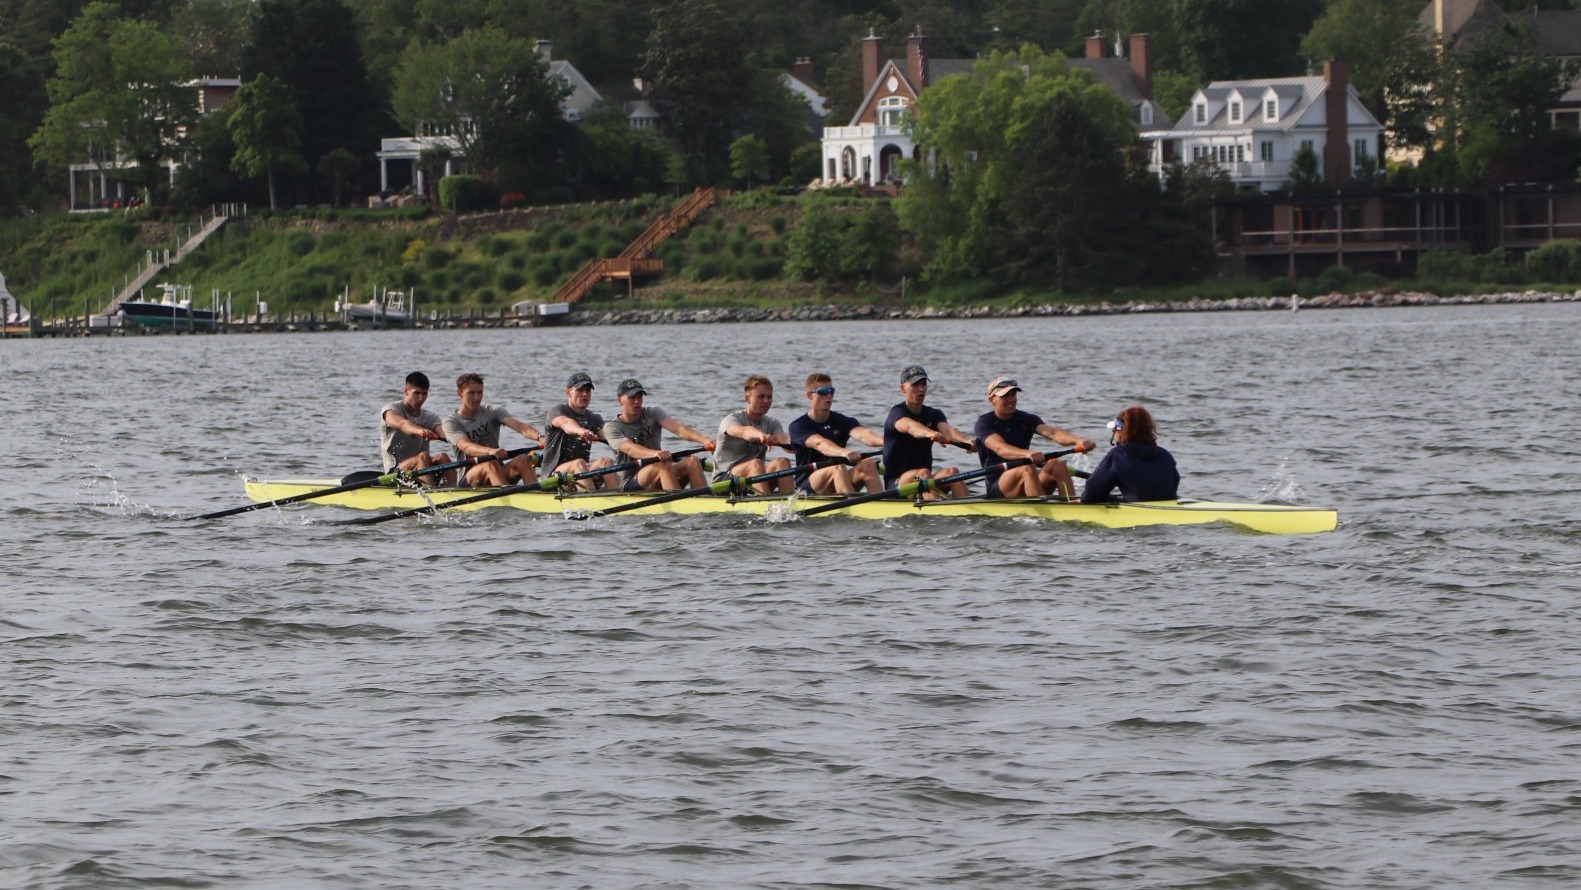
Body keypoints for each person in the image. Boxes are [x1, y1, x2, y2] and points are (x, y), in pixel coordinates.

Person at [973, 376, 1095, 499]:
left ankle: (1071, 504)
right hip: (998, 487)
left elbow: (1053, 433)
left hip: (1027, 476)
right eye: (1004, 396)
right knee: (1026, 467)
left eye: (1013, 395)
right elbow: (1000, 448)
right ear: (991, 400)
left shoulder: (1025, 418)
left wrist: (1080, 441)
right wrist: (1027, 454)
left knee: (1058, 465)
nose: (1011, 400)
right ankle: (1041, 510)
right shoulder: (984, 423)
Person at [601, 378, 716, 491]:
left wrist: (706, 440)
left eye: (639, 397)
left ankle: (704, 499)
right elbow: (631, 449)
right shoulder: (612, 428)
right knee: (662, 464)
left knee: (693, 461)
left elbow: (679, 429)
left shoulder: (653, 413)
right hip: (631, 482)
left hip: (662, 469)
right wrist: (656, 454)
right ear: (620, 400)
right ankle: (676, 499)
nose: (637, 401)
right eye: (632, 397)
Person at [882, 365, 975, 498]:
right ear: (903, 388)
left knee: (953, 473)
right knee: (923, 473)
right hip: (897, 485)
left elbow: (948, 430)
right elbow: (911, 427)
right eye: (915, 384)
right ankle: (937, 509)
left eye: (923, 384)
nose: (921, 389)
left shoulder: (933, 414)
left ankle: (967, 508)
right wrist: (930, 433)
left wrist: (966, 441)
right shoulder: (897, 413)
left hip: (925, 480)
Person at [440, 372, 543, 487]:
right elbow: (467, 447)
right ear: (460, 393)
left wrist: (540, 438)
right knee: (490, 464)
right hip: (469, 480)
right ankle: (507, 494)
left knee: (523, 459)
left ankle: (536, 492)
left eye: (480, 392)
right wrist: (490, 451)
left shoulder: (492, 412)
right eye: (471, 393)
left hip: (497, 471)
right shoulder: (451, 422)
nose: (477, 397)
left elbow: (521, 427)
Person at [788, 373, 882, 494]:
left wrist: (888, 441)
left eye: (831, 391)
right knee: (837, 467)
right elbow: (820, 444)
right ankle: (852, 503)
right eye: (823, 392)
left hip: (839, 477)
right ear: (810, 396)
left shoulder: (841, 420)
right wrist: (844, 452)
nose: (829, 395)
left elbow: (863, 434)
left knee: (869, 465)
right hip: (808, 485)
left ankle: (880, 501)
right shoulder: (798, 426)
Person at [1081, 405, 1181, 503]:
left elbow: (1091, 494)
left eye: (1114, 429)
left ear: (1120, 430)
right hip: (1169, 506)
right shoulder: (1165, 454)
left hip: (1136, 509)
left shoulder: (1117, 456)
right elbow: (1175, 482)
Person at [715, 374, 793, 494]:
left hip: (752, 480)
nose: (766, 401)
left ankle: (790, 502)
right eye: (761, 396)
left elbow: (782, 438)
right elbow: (745, 431)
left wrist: (795, 443)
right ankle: (766, 503)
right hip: (724, 483)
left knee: (783, 462)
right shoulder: (731, 420)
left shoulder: (772, 423)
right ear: (748, 398)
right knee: (756, 464)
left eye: (769, 396)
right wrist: (761, 435)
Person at [378, 371, 455, 485]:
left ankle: (456, 489)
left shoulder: (429, 417)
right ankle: (429, 491)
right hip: (395, 474)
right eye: (417, 393)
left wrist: (459, 440)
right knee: (422, 457)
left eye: (424, 394)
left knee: (442, 457)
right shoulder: (391, 410)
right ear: (406, 391)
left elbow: (444, 434)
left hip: (422, 470)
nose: (420, 398)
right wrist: (420, 431)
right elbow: (403, 424)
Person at [541, 371, 613, 491]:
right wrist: (580, 431)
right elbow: (565, 423)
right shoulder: (557, 411)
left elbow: (609, 437)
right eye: (579, 390)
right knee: (579, 463)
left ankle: (618, 496)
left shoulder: (594, 418)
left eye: (588, 390)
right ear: (568, 392)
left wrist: (624, 444)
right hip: (552, 478)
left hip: (580, 472)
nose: (585, 394)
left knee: (606, 462)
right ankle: (590, 499)